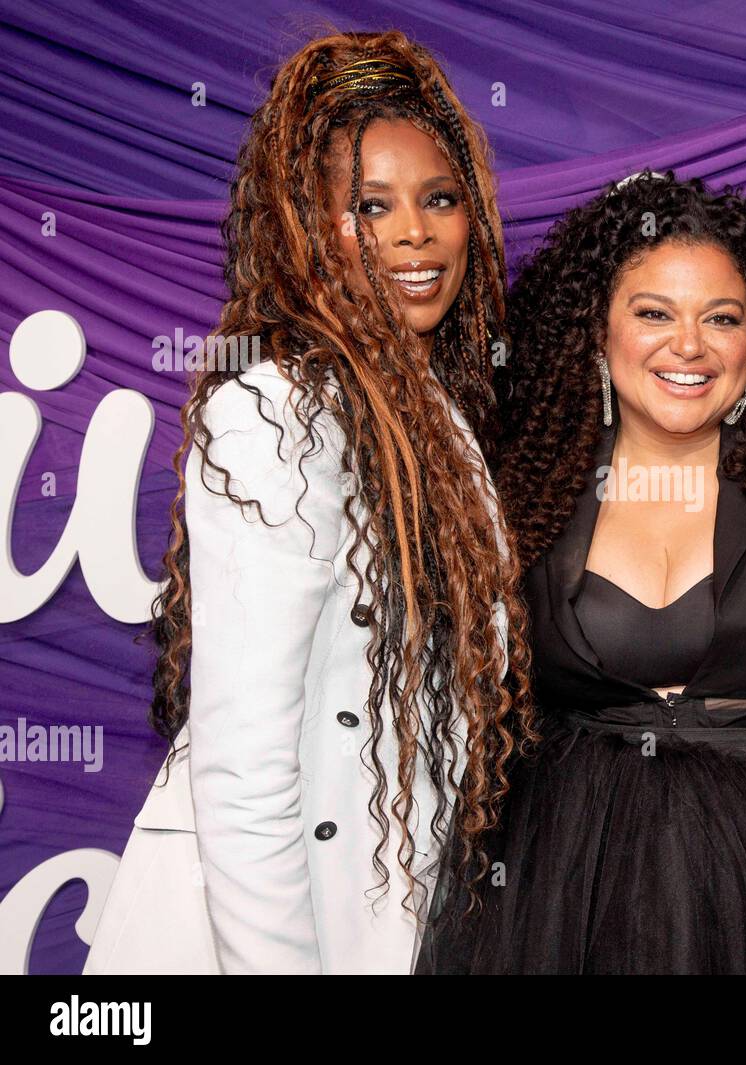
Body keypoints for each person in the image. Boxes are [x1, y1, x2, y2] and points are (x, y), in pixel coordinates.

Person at [82, 31, 536, 975]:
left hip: (384, 924)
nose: (415, 233)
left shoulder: (442, 421)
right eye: (370, 206)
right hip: (257, 938)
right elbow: (244, 775)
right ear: (305, 224)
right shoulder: (272, 410)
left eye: (440, 199)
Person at [416, 171, 746, 974]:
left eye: (722, 318)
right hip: (561, 889)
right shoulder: (517, 491)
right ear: (599, 330)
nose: (689, 345)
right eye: (654, 313)